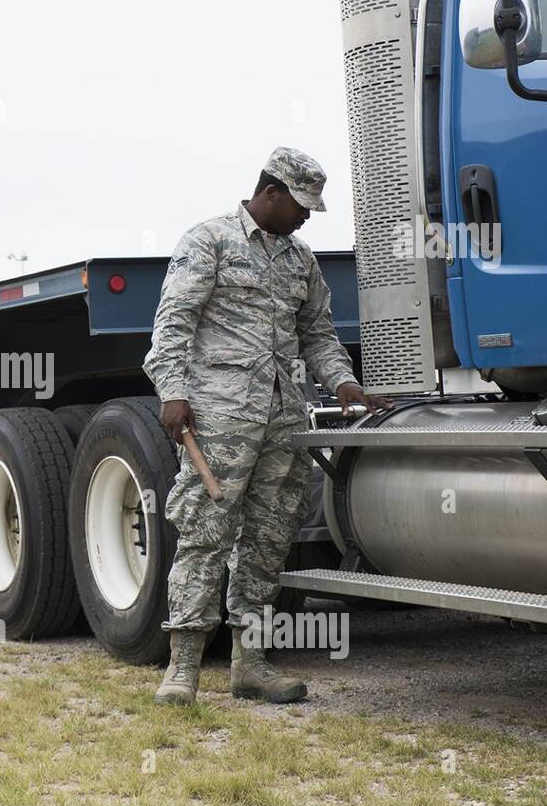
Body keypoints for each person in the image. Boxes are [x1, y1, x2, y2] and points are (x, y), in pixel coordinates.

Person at [142, 147, 391, 706]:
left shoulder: (301, 260)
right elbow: (174, 321)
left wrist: (343, 382)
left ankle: (249, 665)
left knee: (268, 543)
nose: (306, 216)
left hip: (283, 422)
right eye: (300, 205)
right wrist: (173, 392)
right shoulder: (209, 240)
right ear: (270, 192)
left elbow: (319, 336)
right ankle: (182, 668)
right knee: (205, 535)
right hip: (221, 418)